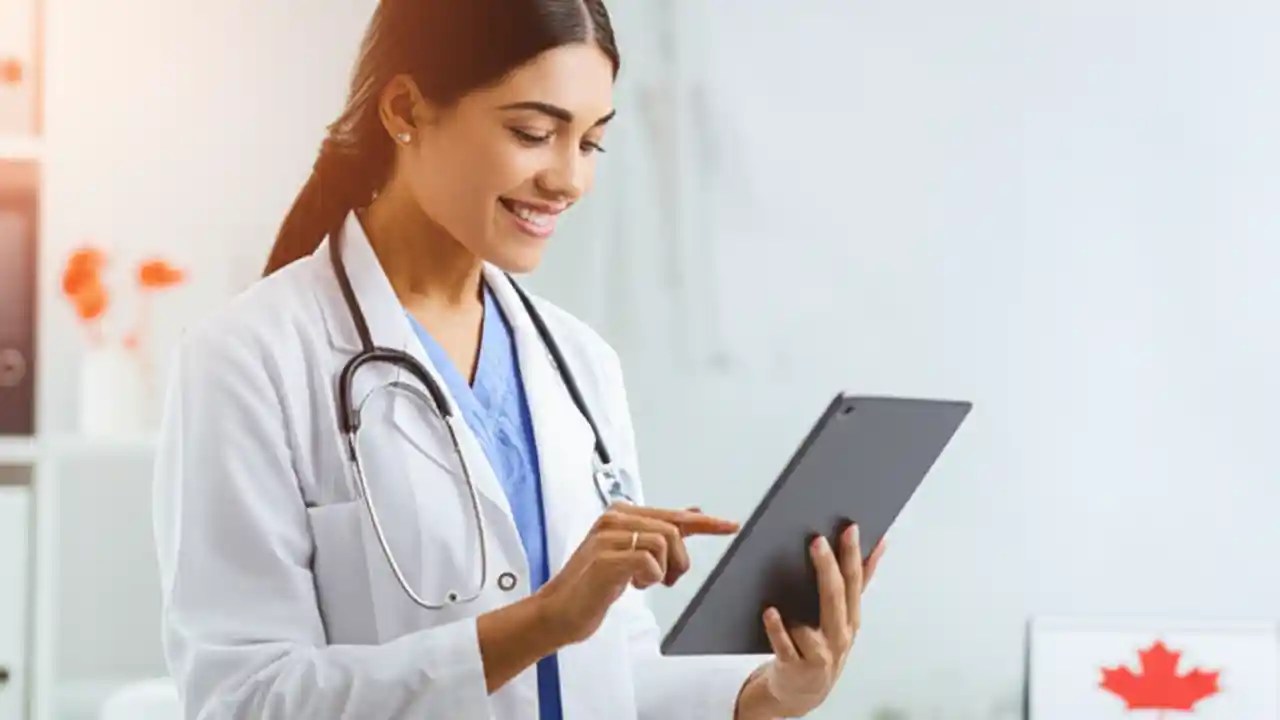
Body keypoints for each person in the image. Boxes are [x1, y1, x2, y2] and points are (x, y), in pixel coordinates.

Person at [151, 1, 886, 718]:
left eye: (591, 142)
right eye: (535, 133)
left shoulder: (579, 363)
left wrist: (772, 693)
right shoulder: (249, 361)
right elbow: (241, 700)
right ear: (405, 110)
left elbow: (616, 676)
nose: (569, 179)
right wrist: (540, 622)